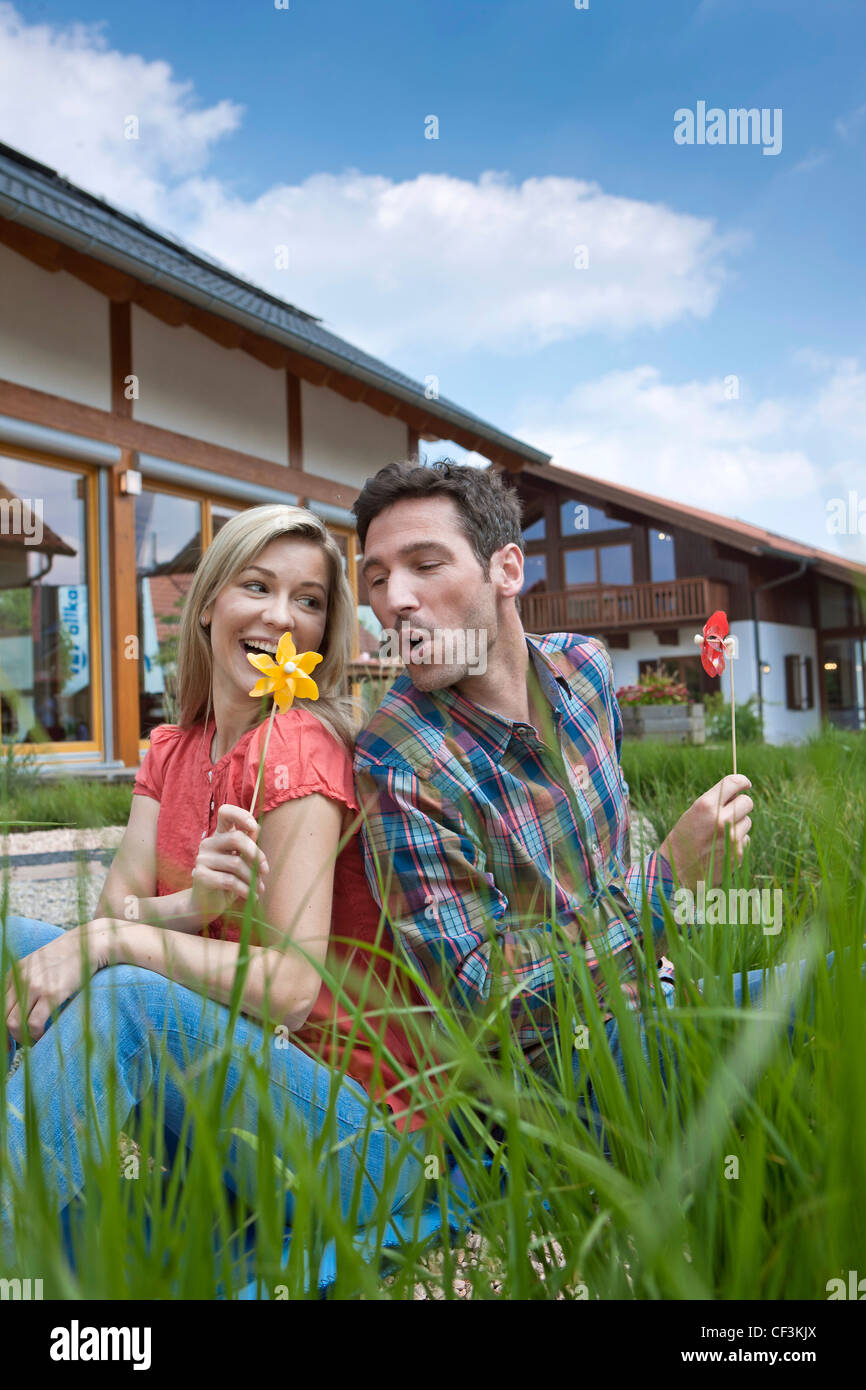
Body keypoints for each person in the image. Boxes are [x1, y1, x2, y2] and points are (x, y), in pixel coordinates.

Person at [1, 503, 431, 1261]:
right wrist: (188, 906)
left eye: (309, 601)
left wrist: (114, 938)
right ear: (206, 607)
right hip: (229, 1095)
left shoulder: (302, 744)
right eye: (256, 586)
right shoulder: (172, 749)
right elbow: (108, 916)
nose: (281, 617)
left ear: (325, 634)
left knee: (125, 995)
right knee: (15, 943)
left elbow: (293, 989)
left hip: (350, 1136)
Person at [349, 459, 805, 1148]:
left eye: (424, 565)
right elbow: (480, 997)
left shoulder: (585, 669)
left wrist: (665, 936)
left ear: (507, 570)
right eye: (377, 578)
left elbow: (606, 869)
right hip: (539, 1085)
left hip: (655, 1001)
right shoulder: (396, 758)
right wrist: (665, 888)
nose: (394, 601)